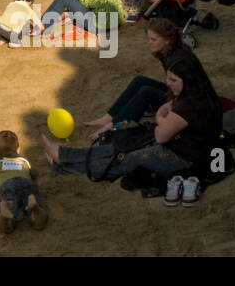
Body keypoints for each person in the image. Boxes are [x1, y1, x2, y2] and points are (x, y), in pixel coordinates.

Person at [42, 53, 222, 195]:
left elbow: (161, 134)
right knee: (121, 147)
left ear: (188, 80)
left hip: (184, 159)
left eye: (174, 80)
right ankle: (64, 154)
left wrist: (160, 115)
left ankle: (62, 166)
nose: (168, 84)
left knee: (126, 159)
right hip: (185, 148)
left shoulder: (189, 106)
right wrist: (166, 115)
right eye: (168, 79)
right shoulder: (199, 94)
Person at [83, 19, 209, 137]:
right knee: (140, 81)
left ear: (167, 40)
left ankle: (114, 126)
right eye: (149, 38)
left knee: (146, 92)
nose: (149, 42)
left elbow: (189, 91)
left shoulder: (178, 61)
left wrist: (168, 106)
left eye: (153, 39)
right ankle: (108, 118)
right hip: (181, 94)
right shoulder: (168, 52)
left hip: (191, 101)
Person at [0, 130, 47, 233]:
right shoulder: (24, 161)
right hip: (26, 183)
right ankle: (35, 210)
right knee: (34, 206)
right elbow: (34, 176)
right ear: (18, 150)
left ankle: (6, 217)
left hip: (8, 186)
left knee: (8, 221)